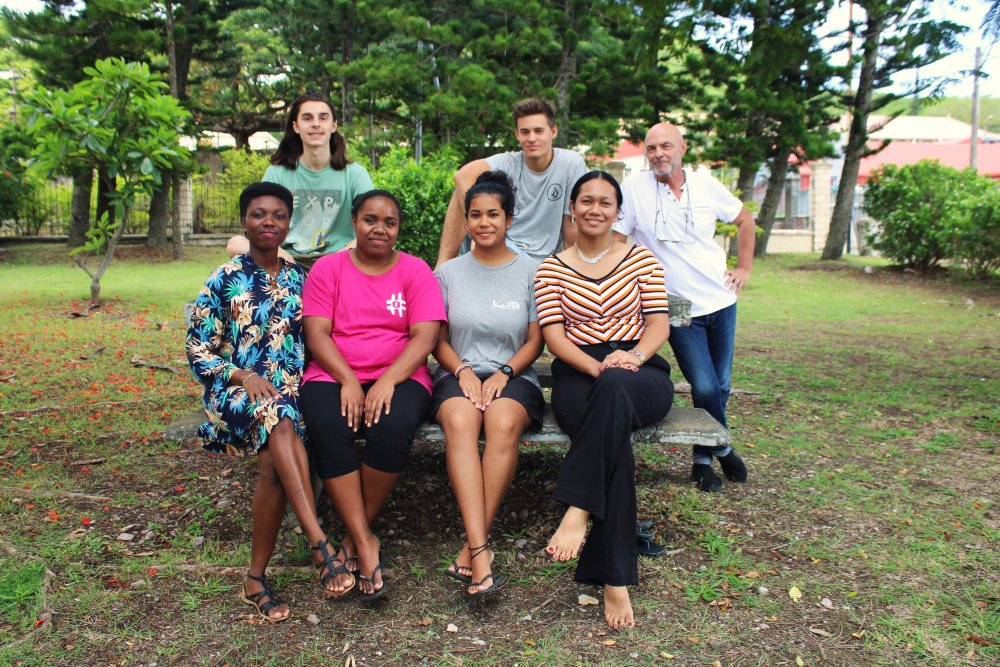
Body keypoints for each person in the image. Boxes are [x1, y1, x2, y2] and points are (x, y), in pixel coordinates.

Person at [186, 182, 356, 623]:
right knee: (275, 415)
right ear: (244, 221)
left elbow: (321, 337)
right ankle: (319, 541)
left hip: (293, 393)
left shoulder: (303, 278)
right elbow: (198, 350)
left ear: (288, 223)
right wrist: (244, 375)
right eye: (259, 215)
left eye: (278, 216)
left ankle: (255, 579)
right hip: (236, 390)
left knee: (272, 462)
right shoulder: (224, 277)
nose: (269, 223)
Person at [534, 170, 675, 629]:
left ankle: (577, 509)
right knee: (613, 430)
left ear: (617, 211)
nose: (595, 209)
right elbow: (555, 337)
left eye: (605, 202)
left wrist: (629, 358)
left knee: (616, 391)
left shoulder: (641, 259)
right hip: (579, 376)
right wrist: (599, 368)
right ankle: (614, 578)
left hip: (640, 373)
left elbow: (658, 325)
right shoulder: (551, 268)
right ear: (571, 209)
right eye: (586, 201)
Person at [300, 190, 446, 601]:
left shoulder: (415, 271)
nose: (379, 229)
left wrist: (386, 380)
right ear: (354, 222)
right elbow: (316, 333)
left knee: (392, 426)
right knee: (330, 426)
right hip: (333, 372)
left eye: (389, 222)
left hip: (400, 376)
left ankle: (351, 536)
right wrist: (347, 378)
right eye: (370, 220)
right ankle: (366, 541)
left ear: (398, 228)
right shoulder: (329, 269)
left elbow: (425, 336)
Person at [614, 122, 754, 493]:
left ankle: (702, 459)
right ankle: (722, 445)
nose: (658, 153)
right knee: (704, 385)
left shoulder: (707, 185)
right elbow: (616, 238)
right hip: (676, 308)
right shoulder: (634, 190)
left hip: (722, 301)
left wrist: (744, 267)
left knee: (721, 385)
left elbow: (744, 220)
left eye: (666, 146)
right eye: (651, 148)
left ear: (683, 148)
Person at [431, 171, 545, 599]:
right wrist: (462, 372)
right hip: (455, 372)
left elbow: (536, 341)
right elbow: (437, 340)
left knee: (500, 422)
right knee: (461, 421)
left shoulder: (532, 272)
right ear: (466, 220)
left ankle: (472, 546)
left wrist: (504, 374)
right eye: (475, 214)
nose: (483, 222)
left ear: (509, 220)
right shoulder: (449, 274)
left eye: (493, 214)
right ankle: (481, 551)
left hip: (514, 375)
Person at [226, 92, 374, 270]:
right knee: (235, 243)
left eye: (323, 118)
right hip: (286, 259)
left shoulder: (355, 175)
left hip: (339, 261)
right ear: (296, 126)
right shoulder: (277, 174)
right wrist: (288, 261)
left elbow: (373, 226)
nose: (316, 124)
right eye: (307, 118)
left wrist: (332, 264)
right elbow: (259, 227)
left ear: (334, 125)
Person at [435, 98, 588, 267]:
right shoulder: (509, 162)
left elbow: (571, 224)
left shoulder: (570, 163)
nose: (531, 138)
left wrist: (571, 273)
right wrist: (477, 222)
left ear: (553, 131)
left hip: (536, 260)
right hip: (502, 243)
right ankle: (442, 267)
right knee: (460, 192)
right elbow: (461, 176)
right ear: (517, 134)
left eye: (538, 131)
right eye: (525, 132)